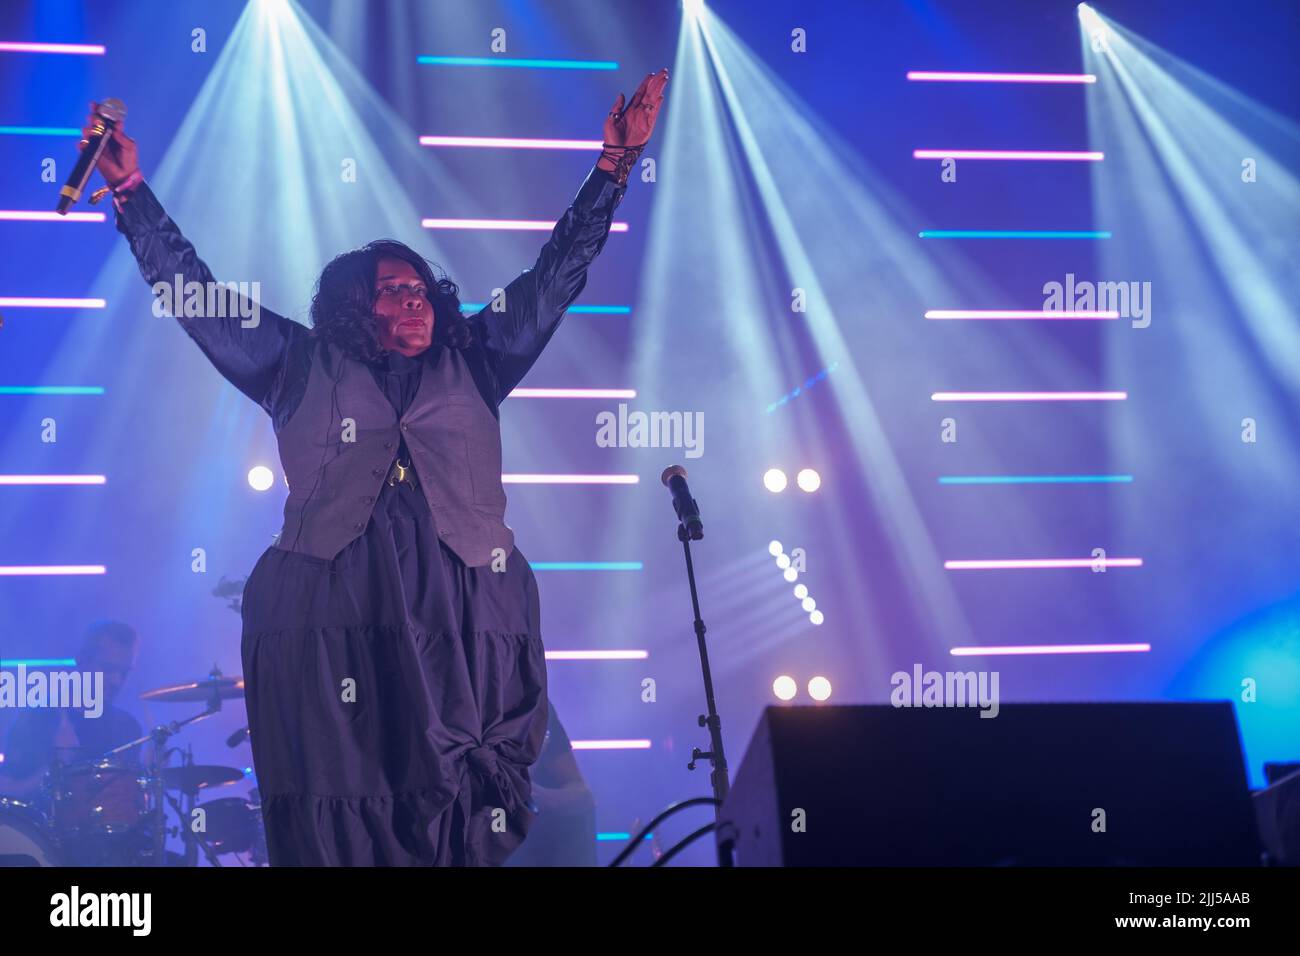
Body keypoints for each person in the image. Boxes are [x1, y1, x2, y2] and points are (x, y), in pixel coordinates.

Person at [81, 69, 668, 866]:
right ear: (354, 307)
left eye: (422, 289)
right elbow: (194, 293)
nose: (416, 300)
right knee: (351, 803)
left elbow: (556, 274)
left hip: (463, 604)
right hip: (331, 608)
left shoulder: (479, 360)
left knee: (463, 805)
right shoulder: (295, 363)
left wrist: (614, 164)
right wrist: (131, 192)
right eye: (393, 291)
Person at [0, 620, 144, 799]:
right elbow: (7, 793)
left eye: (124, 672)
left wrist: (149, 784)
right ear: (82, 661)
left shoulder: (127, 727)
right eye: (108, 669)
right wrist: (59, 764)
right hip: (46, 826)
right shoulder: (37, 718)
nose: (116, 681)